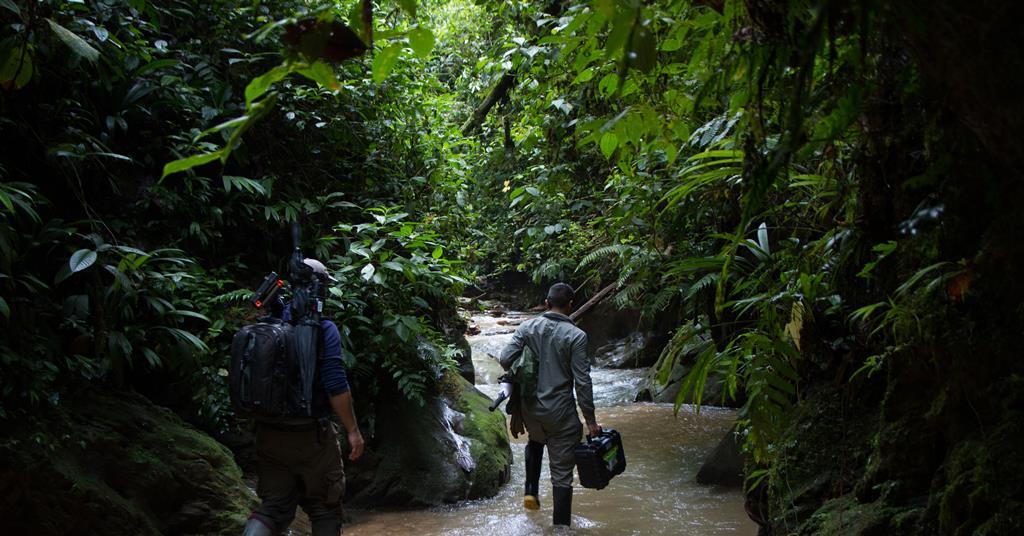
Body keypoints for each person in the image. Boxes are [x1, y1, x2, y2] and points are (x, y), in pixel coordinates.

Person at [243, 258, 365, 536]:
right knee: (325, 507)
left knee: (273, 507)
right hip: (311, 436)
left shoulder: (270, 322)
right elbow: (335, 384)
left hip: (269, 434)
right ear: (318, 288)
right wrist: (353, 431)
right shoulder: (323, 329)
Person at [499, 282, 600, 527]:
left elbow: (504, 359)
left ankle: (531, 492)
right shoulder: (577, 336)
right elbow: (582, 382)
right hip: (560, 413)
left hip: (530, 409)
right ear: (570, 305)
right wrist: (590, 421)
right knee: (562, 476)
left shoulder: (527, 327)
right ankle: (561, 529)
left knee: (536, 440)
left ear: (546, 303)